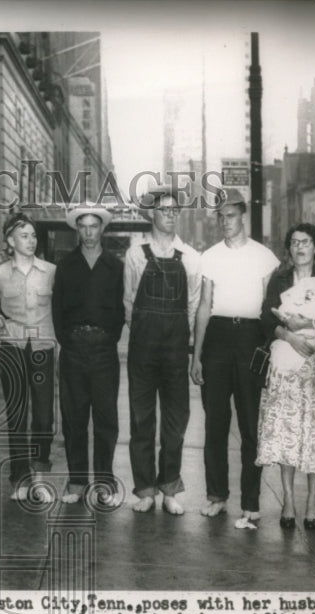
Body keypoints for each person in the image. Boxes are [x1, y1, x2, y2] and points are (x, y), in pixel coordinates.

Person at [191, 188, 279, 528]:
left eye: (230, 215)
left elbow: (272, 308)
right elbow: (203, 306)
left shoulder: (264, 257)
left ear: (243, 216)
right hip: (217, 337)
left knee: (250, 425)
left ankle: (251, 502)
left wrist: (268, 349)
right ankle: (216, 496)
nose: (225, 221)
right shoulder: (209, 256)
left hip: (251, 339)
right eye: (220, 216)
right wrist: (196, 355)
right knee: (215, 423)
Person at [256, 224, 315, 530]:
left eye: (305, 242)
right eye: (294, 243)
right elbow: (266, 318)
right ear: (289, 249)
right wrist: (288, 334)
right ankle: (289, 502)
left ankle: (311, 503)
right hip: (285, 366)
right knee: (286, 432)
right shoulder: (279, 279)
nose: (300, 248)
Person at [124, 190, 201, 515]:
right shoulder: (135, 254)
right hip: (143, 347)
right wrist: (145, 330)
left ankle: (169, 488)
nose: (170, 214)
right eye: (163, 210)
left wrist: (186, 345)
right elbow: (128, 302)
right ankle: (145, 490)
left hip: (174, 349)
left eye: (174, 209)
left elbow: (195, 306)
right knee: (142, 420)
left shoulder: (191, 256)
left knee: (174, 420)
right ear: (151, 215)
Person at [52, 204, 125, 506]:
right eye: (84, 226)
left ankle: (104, 482)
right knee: (74, 418)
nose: (89, 232)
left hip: (104, 350)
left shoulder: (115, 266)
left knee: (106, 418)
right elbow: (57, 308)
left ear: (102, 229)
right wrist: (67, 339)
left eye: (94, 226)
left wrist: (109, 336)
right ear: (77, 230)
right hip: (73, 349)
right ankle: (78, 481)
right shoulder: (66, 265)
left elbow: (122, 308)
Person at [0, 212, 56, 501]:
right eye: (24, 236)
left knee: (43, 415)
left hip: (42, 349)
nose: (31, 240)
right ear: (10, 241)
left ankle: (39, 478)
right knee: (16, 415)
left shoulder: (52, 271)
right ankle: (20, 479)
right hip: (11, 348)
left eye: (33, 235)